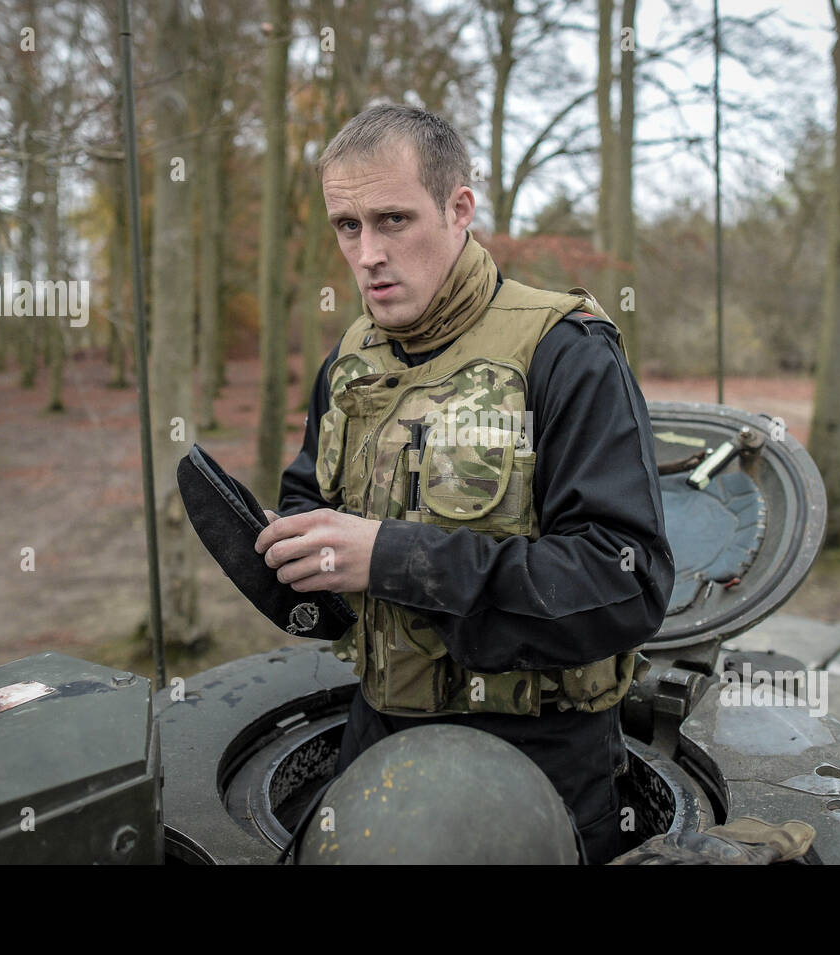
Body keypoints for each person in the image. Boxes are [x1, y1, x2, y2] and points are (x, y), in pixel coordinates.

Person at [255, 103, 674, 864]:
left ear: (458, 209)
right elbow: (307, 497)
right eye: (348, 227)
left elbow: (627, 580)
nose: (369, 254)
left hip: (539, 759)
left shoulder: (566, 352)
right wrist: (294, 553)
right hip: (377, 734)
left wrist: (392, 558)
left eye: (392, 219)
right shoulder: (351, 360)